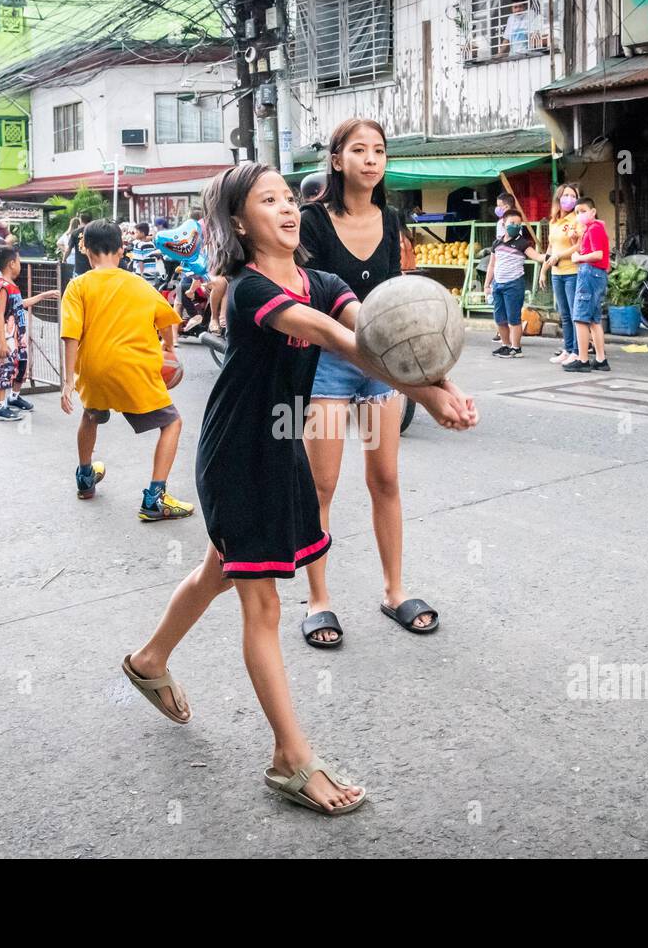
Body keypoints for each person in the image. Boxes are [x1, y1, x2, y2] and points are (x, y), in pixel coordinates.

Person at [120, 163, 475, 815]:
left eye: (289, 197)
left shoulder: (326, 280)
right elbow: (335, 339)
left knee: (220, 570)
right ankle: (290, 758)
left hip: (282, 446)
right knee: (263, 605)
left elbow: (375, 331)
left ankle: (148, 660)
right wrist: (427, 392)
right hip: (238, 453)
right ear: (237, 222)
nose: (287, 208)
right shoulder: (251, 291)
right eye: (267, 201)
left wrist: (440, 379)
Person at [297, 117, 437, 647]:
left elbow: (396, 295)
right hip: (328, 362)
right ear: (337, 160)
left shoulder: (392, 217)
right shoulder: (310, 220)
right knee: (322, 485)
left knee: (385, 480)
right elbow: (307, 295)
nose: (372, 159)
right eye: (359, 150)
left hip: (378, 368)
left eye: (379, 150)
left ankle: (395, 591)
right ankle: (317, 600)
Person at [59, 219, 194, 520]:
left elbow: (71, 335)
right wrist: (169, 349)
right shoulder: (139, 285)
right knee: (171, 423)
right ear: (122, 250)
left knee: (91, 414)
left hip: (94, 371)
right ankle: (155, 499)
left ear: (85, 249)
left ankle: (84, 476)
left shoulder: (77, 286)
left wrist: (68, 381)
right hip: (134, 370)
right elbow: (168, 321)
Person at [0, 245, 58, 422]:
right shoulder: (3, 286)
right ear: (12, 263)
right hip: (8, 337)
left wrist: (44, 295)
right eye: (19, 261)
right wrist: (2, 341)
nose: (20, 264)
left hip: (18, 337)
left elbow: (21, 304)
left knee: (21, 367)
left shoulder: (12, 287)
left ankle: (14, 396)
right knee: (4, 369)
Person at [485, 207, 546, 358]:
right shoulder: (496, 243)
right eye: (512, 222)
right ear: (504, 223)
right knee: (500, 318)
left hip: (514, 285)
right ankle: (505, 345)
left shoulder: (522, 243)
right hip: (497, 284)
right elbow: (492, 265)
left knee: (514, 319)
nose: (515, 226)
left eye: (518, 224)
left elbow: (537, 256)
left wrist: (550, 257)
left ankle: (516, 348)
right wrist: (487, 284)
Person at [561, 197, 612, 372]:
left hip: (590, 273)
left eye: (583, 211)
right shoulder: (594, 228)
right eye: (577, 212)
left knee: (580, 318)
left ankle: (582, 359)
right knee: (594, 319)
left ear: (593, 211)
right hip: (597, 274)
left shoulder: (595, 228)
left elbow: (598, 254)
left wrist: (578, 258)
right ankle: (600, 359)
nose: (580, 215)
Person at [539, 183, 582, 363]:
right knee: (564, 314)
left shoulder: (577, 219)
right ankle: (567, 348)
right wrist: (543, 270)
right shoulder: (554, 221)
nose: (569, 199)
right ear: (559, 198)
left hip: (572, 271)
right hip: (557, 273)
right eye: (566, 195)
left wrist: (559, 255)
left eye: (573, 196)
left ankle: (577, 351)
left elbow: (579, 246)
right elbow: (550, 247)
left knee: (574, 313)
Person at [66, 211, 93, 278]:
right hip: (93, 268)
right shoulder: (95, 232)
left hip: (79, 269)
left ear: (80, 220)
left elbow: (68, 249)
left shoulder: (75, 233)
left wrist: (64, 259)